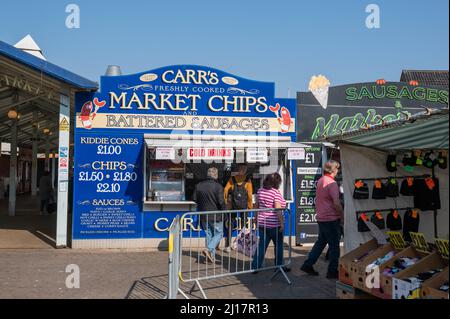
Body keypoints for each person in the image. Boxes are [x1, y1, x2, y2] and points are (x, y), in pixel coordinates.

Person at [301, 160, 344, 279]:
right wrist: (342, 216)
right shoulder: (332, 183)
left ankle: (308, 264)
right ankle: (332, 271)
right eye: (337, 169)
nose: (338, 171)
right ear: (334, 170)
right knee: (335, 247)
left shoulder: (320, 181)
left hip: (322, 217)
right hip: (331, 218)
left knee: (320, 243)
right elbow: (336, 203)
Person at [251, 173, 289, 272]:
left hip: (262, 224)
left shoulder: (260, 191)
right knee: (279, 246)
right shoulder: (275, 193)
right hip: (274, 224)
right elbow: (278, 209)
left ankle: (255, 266)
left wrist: (255, 218)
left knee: (262, 246)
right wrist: (281, 223)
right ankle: (279, 266)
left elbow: (256, 206)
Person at [193, 167, 227, 263]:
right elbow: (221, 202)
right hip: (216, 216)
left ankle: (210, 256)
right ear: (216, 175)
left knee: (209, 234)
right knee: (219, 234)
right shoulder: (218, 186)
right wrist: (225, 212)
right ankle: (209, 249)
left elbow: (194, 199)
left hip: (204, 215)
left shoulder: (198, 185)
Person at [223, 164, 253, 252]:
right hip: (244, 207)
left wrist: (225, 201)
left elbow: (225, 190)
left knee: (230, 225)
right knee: (244, 226)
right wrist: (250, 206)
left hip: (233, 206)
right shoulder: (248, 180)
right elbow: (250, 195)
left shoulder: (232, 179)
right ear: (245, 171)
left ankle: (228, 245)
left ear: (238, 170)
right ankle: (242, 245)